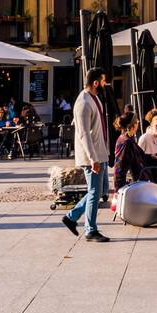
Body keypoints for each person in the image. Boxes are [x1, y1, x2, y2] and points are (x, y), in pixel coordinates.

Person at [63, 67, 111, 243]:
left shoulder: (94, 97)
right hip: (92, 157)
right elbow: (83, 133)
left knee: (101, 190)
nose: (106, 83)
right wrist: (93, 158)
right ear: (96, 82)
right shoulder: (83, 102)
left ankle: (71, 216)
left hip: (100, 153)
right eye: (103, 80)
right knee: (94, 192)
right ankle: (90, 230)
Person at [113, 113, 149, 188]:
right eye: (137, 121)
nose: (138, 123)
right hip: (138, 183)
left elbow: (139, 155)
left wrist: (152, 156)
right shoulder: (126, 142)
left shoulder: (129, 138)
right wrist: (118, 190)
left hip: (141, 179)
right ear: (132, 125)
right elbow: (120, 169)